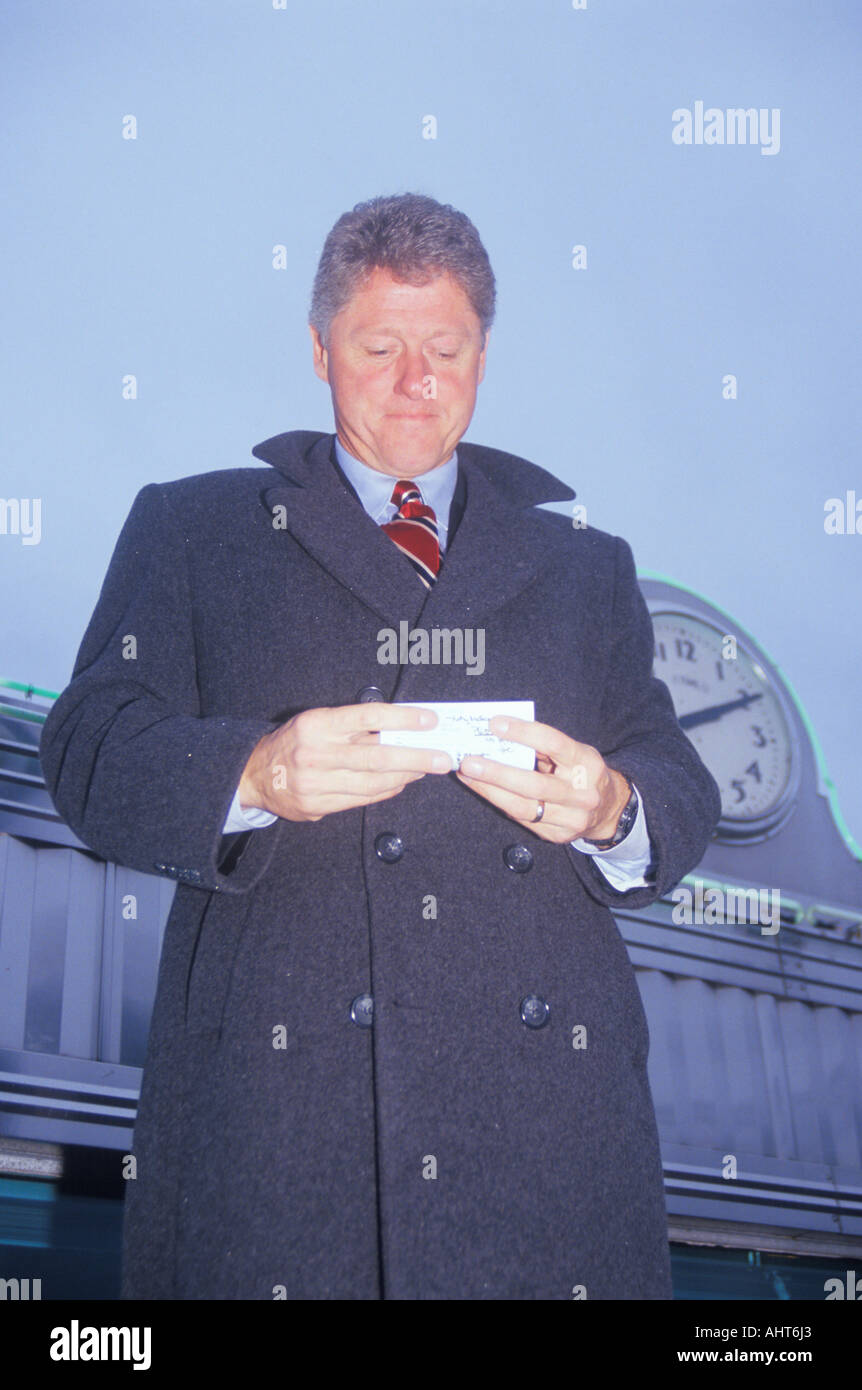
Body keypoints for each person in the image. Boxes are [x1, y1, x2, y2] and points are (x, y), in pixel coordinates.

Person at [40, 192, 721, 1300]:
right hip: (285, 1123)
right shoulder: (194, 529)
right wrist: (252, 772)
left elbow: (676, 786)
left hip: (548, 1133)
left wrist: (612, 806)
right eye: (379, 346)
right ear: (319, 351)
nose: (416, 380)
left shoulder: (588, 570)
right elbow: (87, 744)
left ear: (484, 357)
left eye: (444, 347)